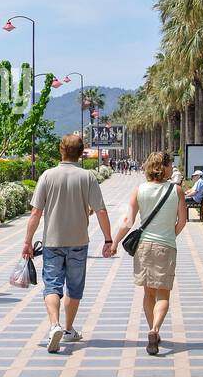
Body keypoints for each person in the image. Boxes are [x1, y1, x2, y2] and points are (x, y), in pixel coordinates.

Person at [22, 133, 115, 353]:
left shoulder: (47, 176)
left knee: (52, 285)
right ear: (81, 152)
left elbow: (36, 212)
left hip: (52, 242)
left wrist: (27, 241)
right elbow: (100, 210)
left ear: (60, 150)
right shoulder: (87, 177)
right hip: (79, 241)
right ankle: (69, 328)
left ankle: (55, 325)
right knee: (74, 287)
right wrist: (108, 239)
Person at [116, 151, 186, 356]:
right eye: (171, 165)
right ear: (164, 167)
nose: (172, 168)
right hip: (166, 246)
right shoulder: (177, 190)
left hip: (144, 247)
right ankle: (155, 329)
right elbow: (182, 221)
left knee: (148, 293)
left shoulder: (139, 190)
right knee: (163, 292)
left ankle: (151, 330)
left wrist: (113, 242)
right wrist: (169, 236)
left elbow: (127, 221)